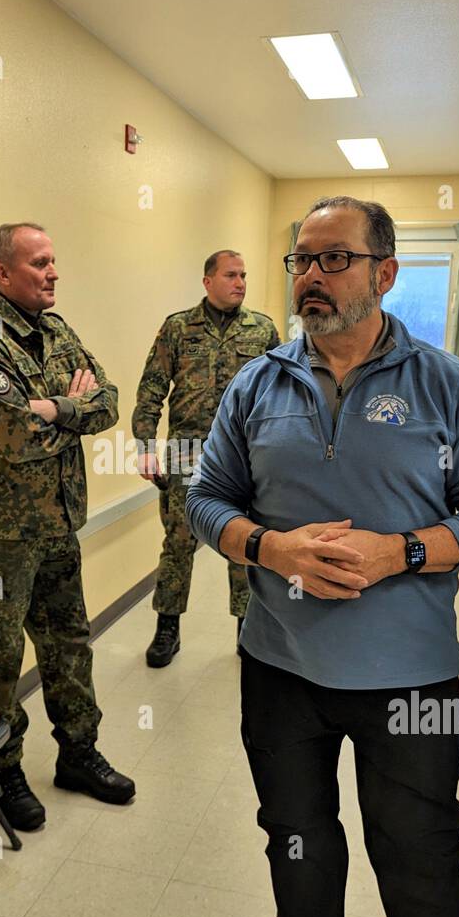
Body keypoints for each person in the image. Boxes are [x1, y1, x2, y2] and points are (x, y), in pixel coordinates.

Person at [186, 196, 459, 917]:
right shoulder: (256, 384)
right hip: (279, 668)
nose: (313, 275)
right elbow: (205, 500)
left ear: (386, 273)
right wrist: (268, 549)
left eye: (335, 259)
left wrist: (400, 551)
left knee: (423, 863)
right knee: (297, 848)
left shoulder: (446, 384)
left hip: (412, 677)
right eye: (302, 260)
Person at [0, 222, 134, 833]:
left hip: (56, 524)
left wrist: (57, 406)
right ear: (4, 274)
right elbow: (17, 439)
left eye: (54, 260)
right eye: (40, 263)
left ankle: (78, 753)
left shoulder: (56, 331)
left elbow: (108, 401)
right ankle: (3, 770)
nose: (54, 273)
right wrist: (62, 412)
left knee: (69, 645)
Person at [132, 250, 279, 667]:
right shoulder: (178, 328)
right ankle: (167, 628)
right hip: (185, 452)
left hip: (245, 454)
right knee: (178, 543)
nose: (240, 282)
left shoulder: (262, 329)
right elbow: (151, 390)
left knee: (246, 542)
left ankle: (246, 628)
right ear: (208, 281)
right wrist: (145, 446)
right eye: (231, 275)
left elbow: (286, 389)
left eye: (244, 275)